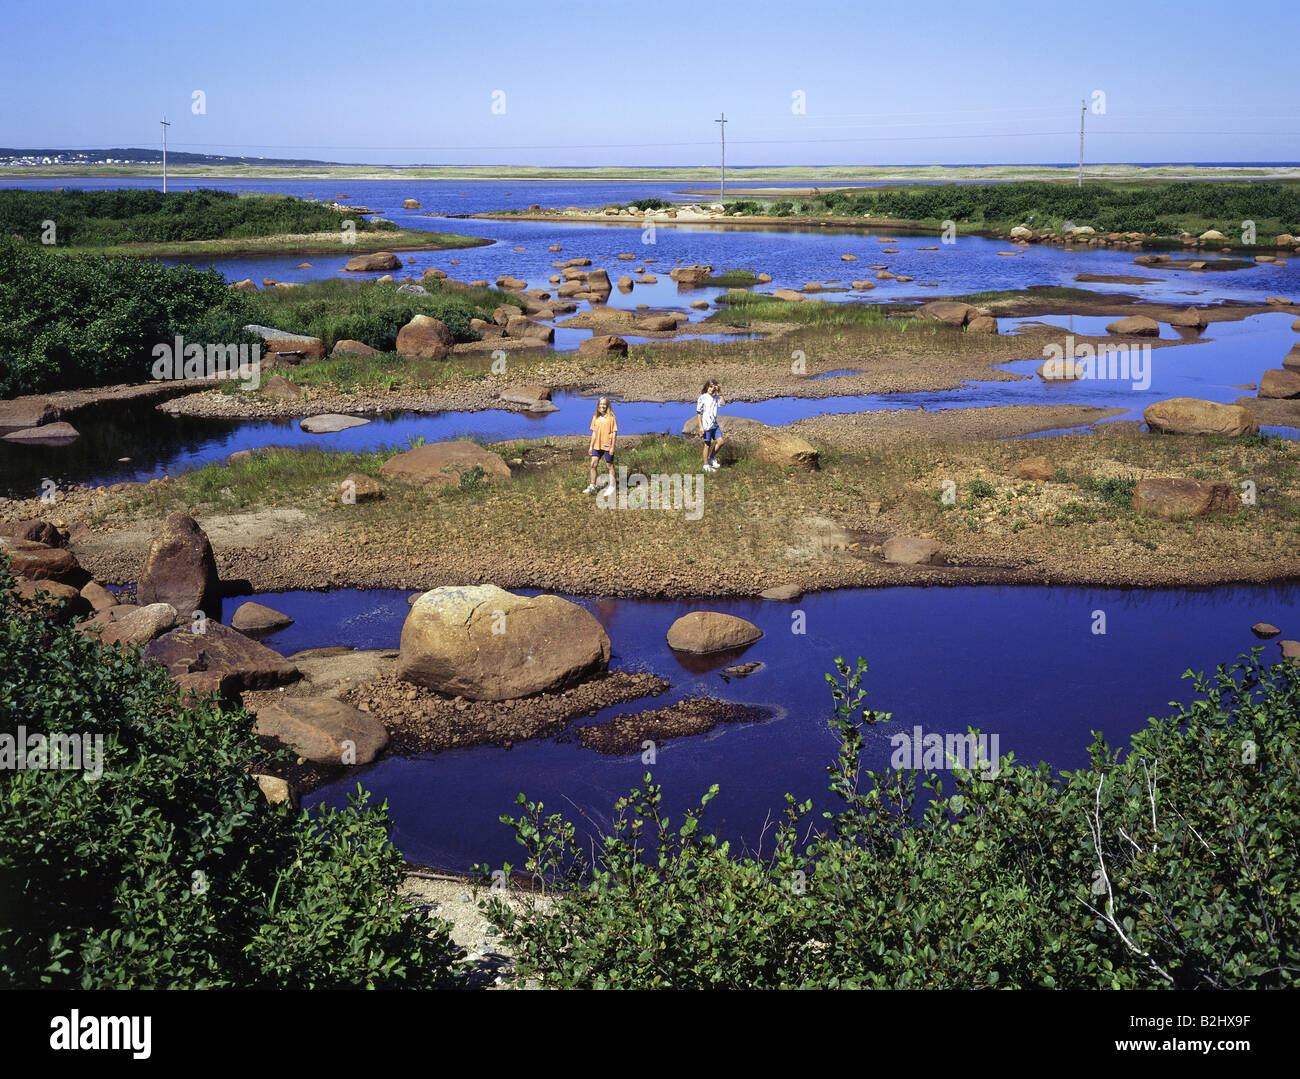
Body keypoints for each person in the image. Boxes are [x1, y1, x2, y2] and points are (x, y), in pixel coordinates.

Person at [584, 396, 617, 493]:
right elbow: (594, 433)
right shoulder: (595, 417)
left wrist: (612, 447)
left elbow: (614, 433)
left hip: (607, 445)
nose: (602, 406)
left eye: (604, 404)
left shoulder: (611, 418)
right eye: (601, 404)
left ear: (607, 405)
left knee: (609, 465)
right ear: (598, 405)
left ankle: (612, 487)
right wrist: (591, 446)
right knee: (593, 464)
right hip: (597, 445)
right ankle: (592, 485)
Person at [696, 379, 726, 471]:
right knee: (707, 445)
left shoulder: (716, 398)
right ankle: (706, 465)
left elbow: (723, 403)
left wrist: (720, 391)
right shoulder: (702, 397)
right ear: (707, 387)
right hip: (706, 425)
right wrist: (701, 427)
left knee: (721, 442)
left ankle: (711, 458)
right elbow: (698, 413)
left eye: (714, 387)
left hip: (714, 424)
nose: (712, 389)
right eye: (710, 387)